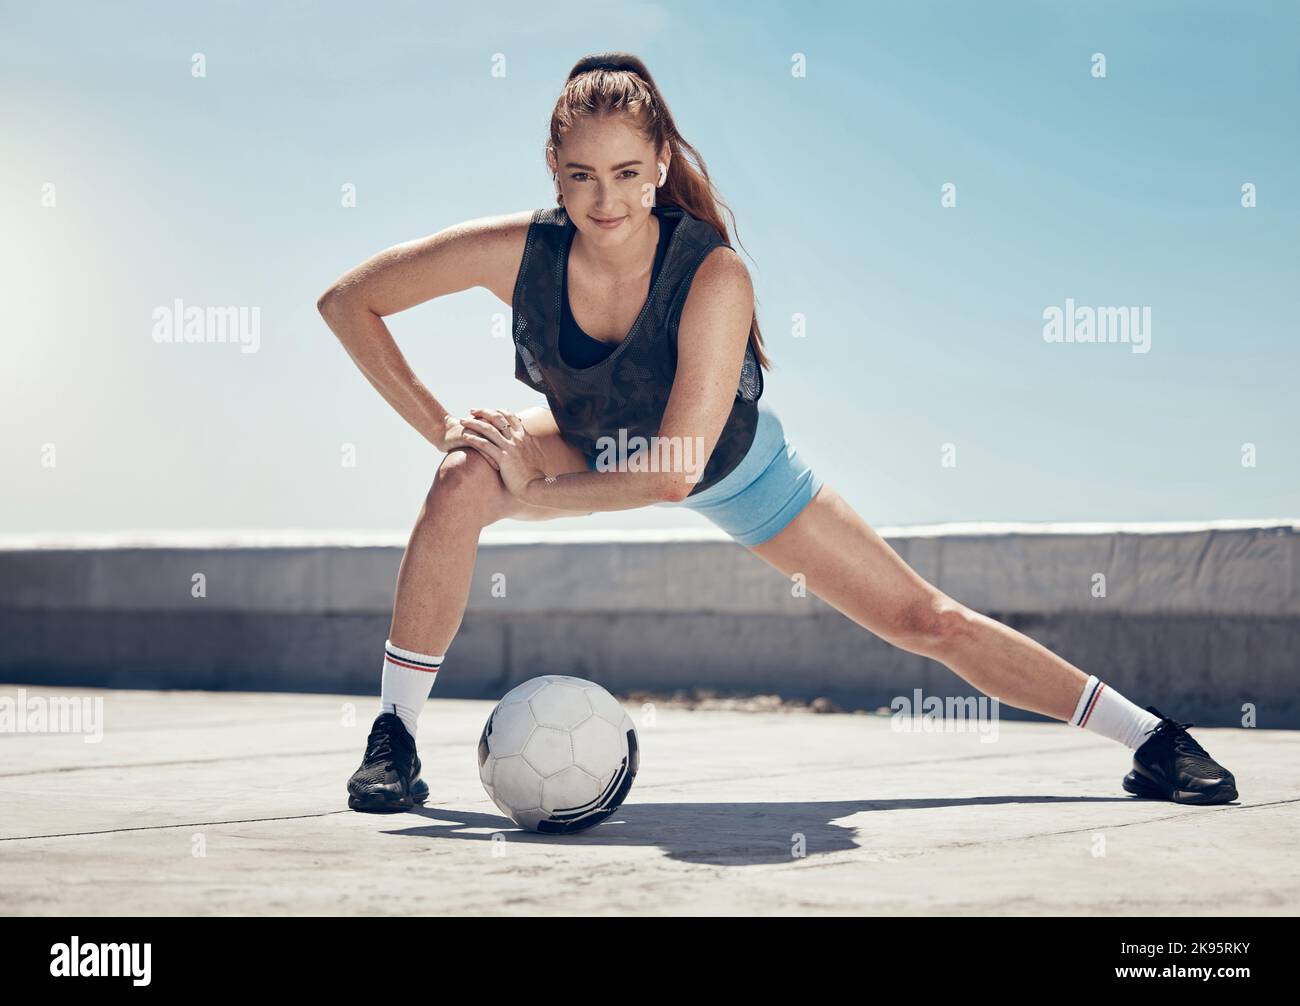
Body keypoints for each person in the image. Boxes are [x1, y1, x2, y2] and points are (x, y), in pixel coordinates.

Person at [316, 52, 1237, 814]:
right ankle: (393, 741)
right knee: (456, 478)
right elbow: (349, 302)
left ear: (661, 166)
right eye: (583, 176)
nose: (606, 201)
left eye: (629, 174)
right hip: (583, 432)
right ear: (554, 171)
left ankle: (1149, 737)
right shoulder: (520, 249)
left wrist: (529, 489)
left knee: (925, 621)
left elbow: (674, 468)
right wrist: (451, 429)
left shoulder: (713, 276)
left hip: (731, 468)